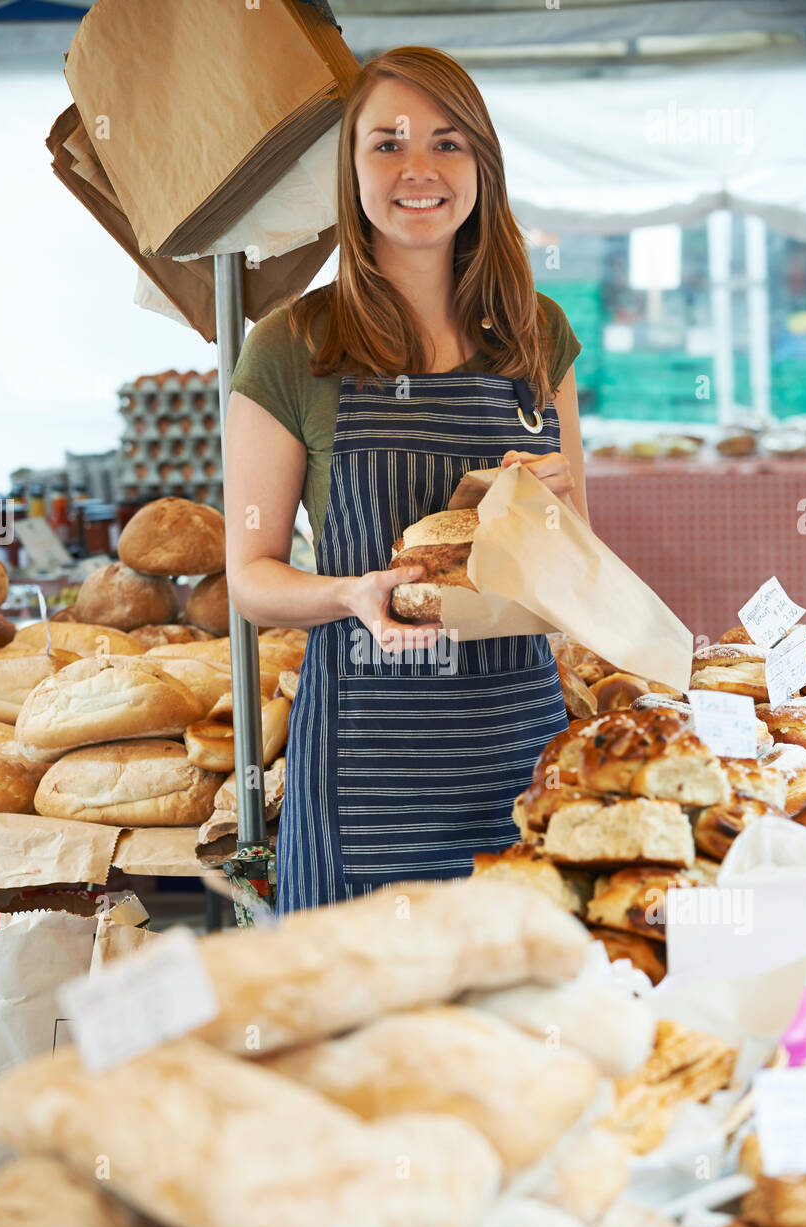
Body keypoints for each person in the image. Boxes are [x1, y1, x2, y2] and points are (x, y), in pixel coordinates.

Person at [225, 46, 587, 916]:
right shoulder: (289, 346)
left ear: (482, 169)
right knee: (362, 1041)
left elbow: (576, 569)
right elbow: (251, 579)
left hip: (519, 754)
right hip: (364, 770)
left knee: (522, 1032)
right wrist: (353, 595)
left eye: (448, 143)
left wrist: (549, 515)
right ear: (350, 172)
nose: (417, 169)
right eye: (386, 144)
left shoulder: (537, 334)